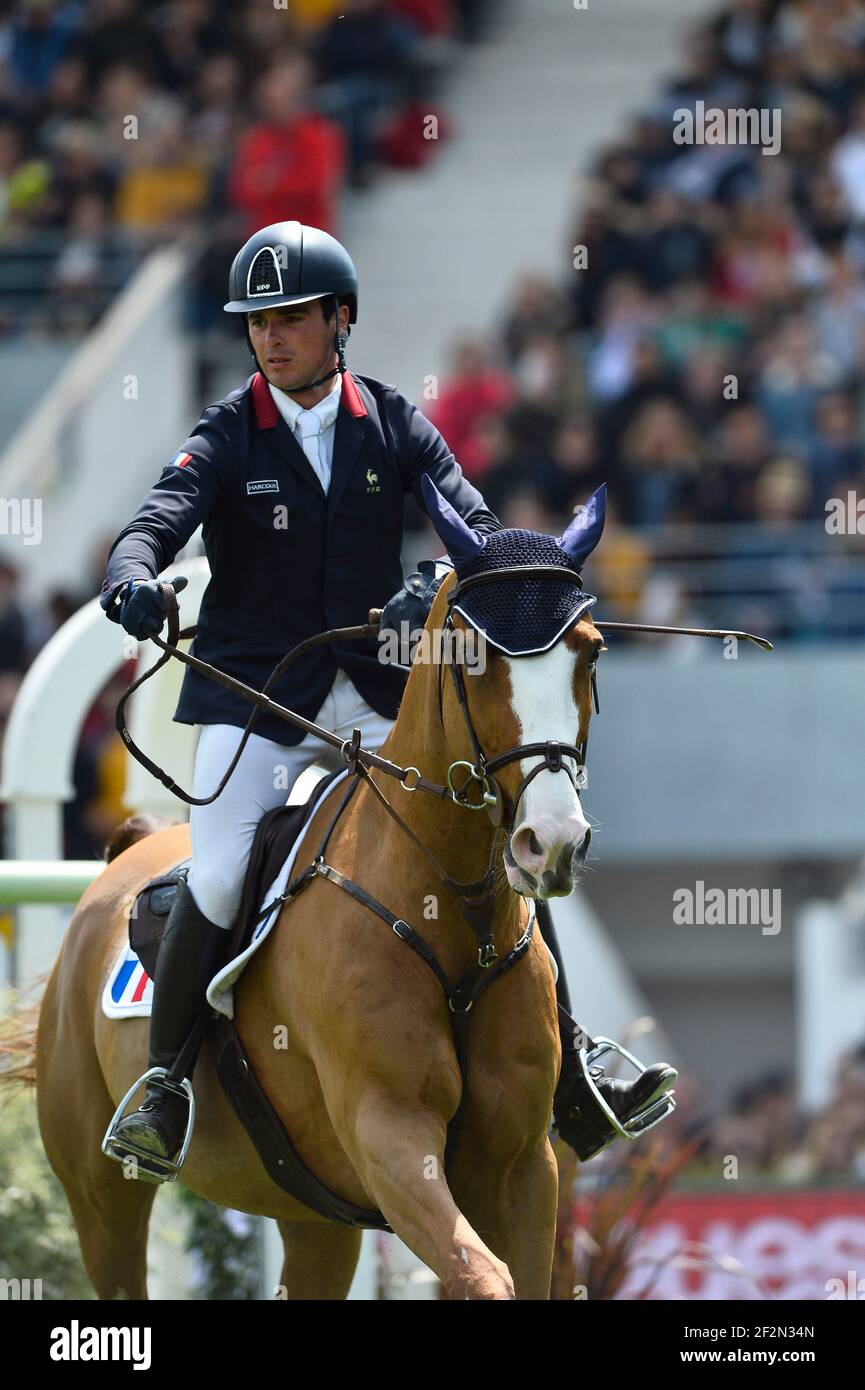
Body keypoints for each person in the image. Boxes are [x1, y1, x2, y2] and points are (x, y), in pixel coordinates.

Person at [100, 219, 674, 1180]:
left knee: (503, 841)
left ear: (340, 320)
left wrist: (445, 586)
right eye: (257, 321)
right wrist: (133, 579)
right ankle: (165, 1084)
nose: (270, 337)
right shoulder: (225, 431)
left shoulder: (397, 423)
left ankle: (572, 1066)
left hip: (375, 693)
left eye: (290, 317)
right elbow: (151, 524)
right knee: (219, 874)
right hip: (259, 700)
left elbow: (477, 531)